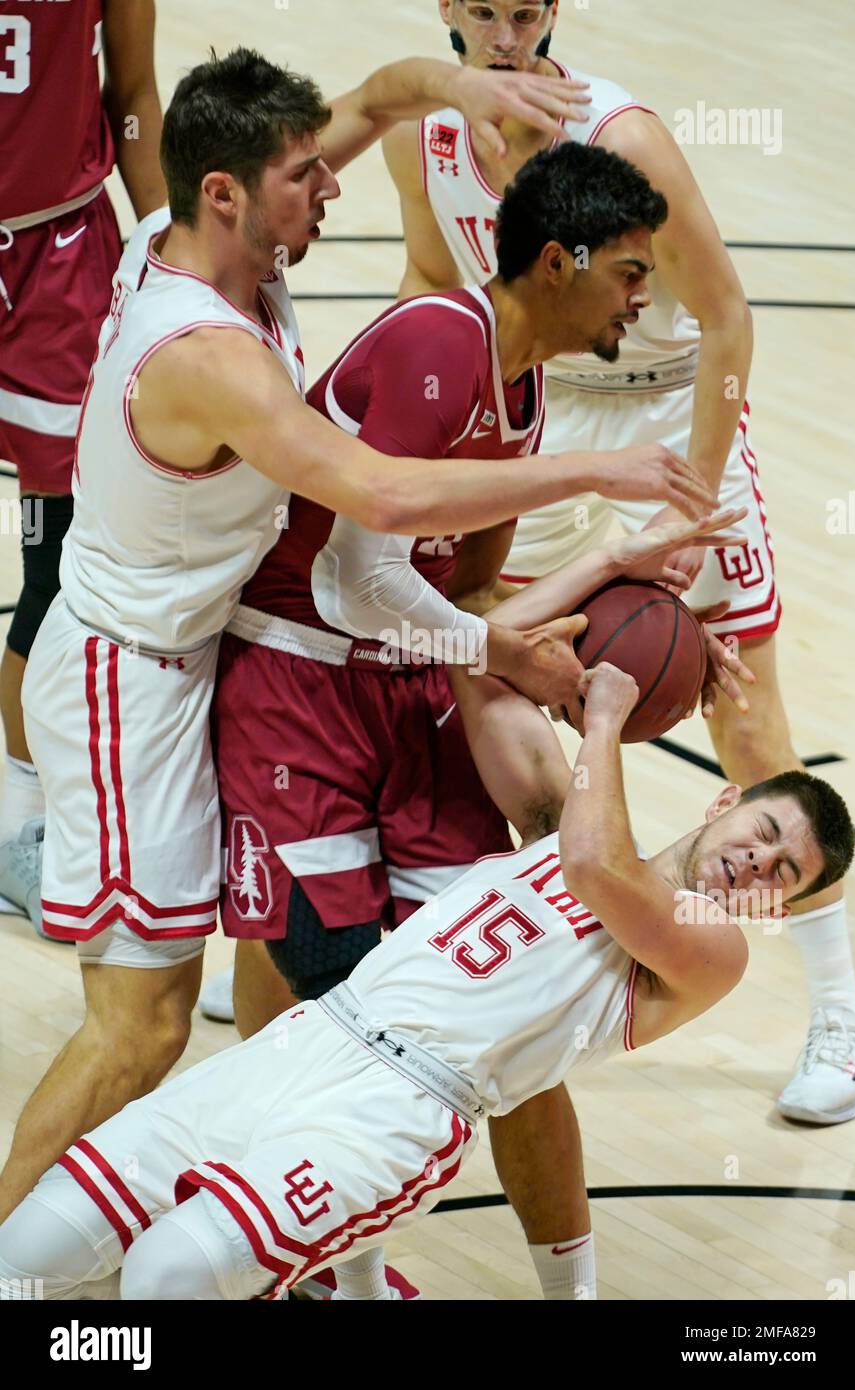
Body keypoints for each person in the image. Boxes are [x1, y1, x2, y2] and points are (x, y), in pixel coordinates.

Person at [0, 46, 714, 1227]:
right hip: (132, 678)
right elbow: (378, 503)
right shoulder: (208, 353)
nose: (329, 187)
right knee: (140, 1026)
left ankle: (249, 1231)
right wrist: (603, 468)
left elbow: (377, 100)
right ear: (224, 191)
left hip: (212, 643)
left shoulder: (217, 227)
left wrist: (466, 90)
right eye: (304, 176)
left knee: (257, 973)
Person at [207, 142, 753, 1300]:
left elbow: (455, 602)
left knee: (508, 1000)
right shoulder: (435, 343)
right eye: (626, 271)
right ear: (555, 263)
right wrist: (507, 647)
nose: (640, 298)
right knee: (343, 997)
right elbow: (352, 581)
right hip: (301, 683)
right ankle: (330, 1278)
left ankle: (572, 1293)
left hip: (406, 688)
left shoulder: (520, 384)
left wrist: (626, 597)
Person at [0, 560, 852, 1300]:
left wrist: (603, 720)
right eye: (765, 834)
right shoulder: (562, 823)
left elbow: (602, 871)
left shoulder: (711, 950)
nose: (758, 864)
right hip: (308, 1039)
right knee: (23, 1259)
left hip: (402, 1110)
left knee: (165, 1278)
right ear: (724, 802)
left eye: (784, 874)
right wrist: (615, 561)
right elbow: (475, 659)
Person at [381, 0, 855, 1124]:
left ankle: (840, 1008)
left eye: (523, 12)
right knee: (465, 664)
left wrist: (689, 500)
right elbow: (423, 274)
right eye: (483, 11)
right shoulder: (430, 131)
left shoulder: (622, 134)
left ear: (549, 14)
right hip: (537, 417)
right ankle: (397, 925)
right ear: (447, 10)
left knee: (744, 723)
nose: (504, 34)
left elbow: (727, 318)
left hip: (663, 417)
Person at [0, 0, 165, 936]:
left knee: (54, 566)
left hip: (59, 261)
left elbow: (133, 96)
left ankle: (22, 828)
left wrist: (172, 250)